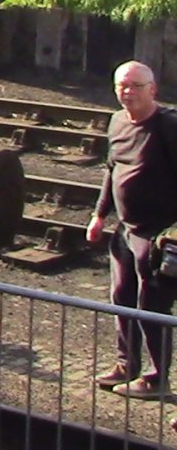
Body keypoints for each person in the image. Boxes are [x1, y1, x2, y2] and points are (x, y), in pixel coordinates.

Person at [87, 61, 177, 400]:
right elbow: (112, 170)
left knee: (152, 304)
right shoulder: (117, 122)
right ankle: (127, 365)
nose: (128, 92)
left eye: (136, 86)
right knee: (122, 296)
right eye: (122, 86)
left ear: (153, 90)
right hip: (126, 230)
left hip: (158, 234)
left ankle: (156, 378)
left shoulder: (168, 127)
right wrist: (99, 215)